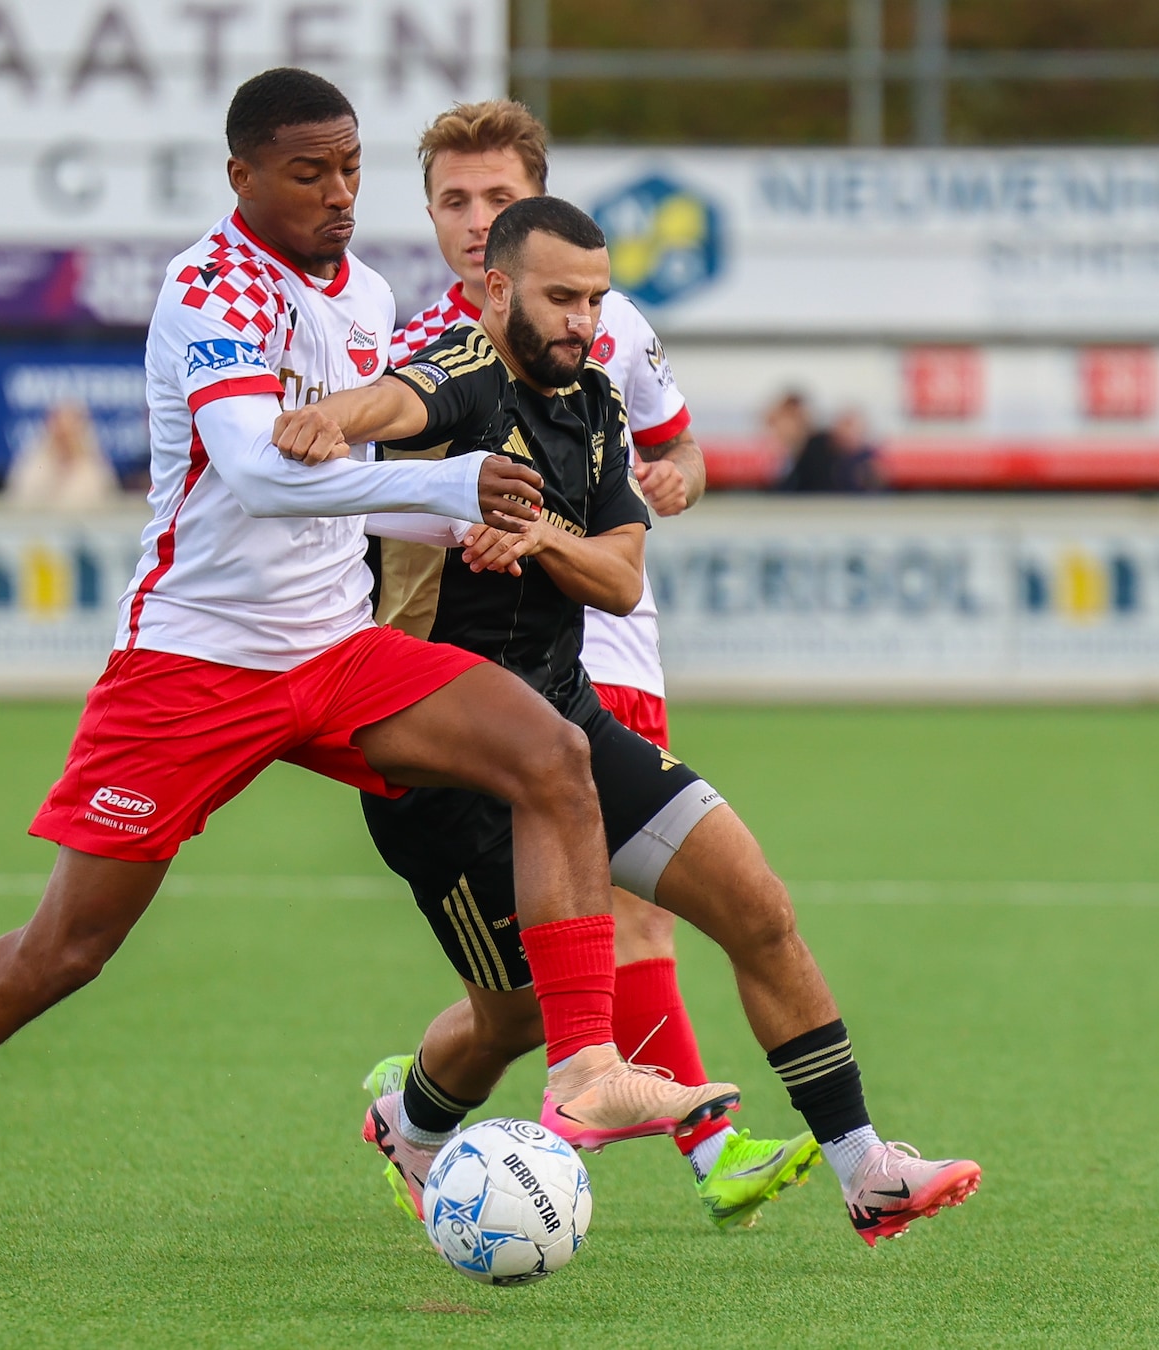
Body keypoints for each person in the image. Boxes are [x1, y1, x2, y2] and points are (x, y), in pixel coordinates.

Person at [0, 68, 738, 1279]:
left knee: (551, 752)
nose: (336, 195)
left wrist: (472, 524)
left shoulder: (369, 292)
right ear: (243, 178)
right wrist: (445, 487)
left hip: (334, 651)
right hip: (195, 664)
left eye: (349, 170)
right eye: (306, 172)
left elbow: (362, 479)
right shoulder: (210, 286)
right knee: (62, 952)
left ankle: (584, 1062)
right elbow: (261, 476)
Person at [275, 195, 981, 1248]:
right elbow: (392, 404)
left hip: (570, 725)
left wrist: (540, 536)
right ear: (501, 290)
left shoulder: (596, 406)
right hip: (448, 773)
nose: (583, 319)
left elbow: (617, 576)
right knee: (513, 1016)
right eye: (562, 298)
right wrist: (332, 419)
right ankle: (411, 1119)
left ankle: (866, 1167)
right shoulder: (463, 377)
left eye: (596, 298)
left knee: (759, 907)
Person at [372, 98, 815, 1232]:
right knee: (597, 940)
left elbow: (680, 448)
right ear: (430, 220)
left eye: (500, 199)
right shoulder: (426, 356)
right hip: (511, 666)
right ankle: (702, 1140)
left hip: (614, 635)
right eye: (454, 203)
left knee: (627, 926)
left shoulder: (609, 322)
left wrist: (674, 481)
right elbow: (382, 513)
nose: (479, 221)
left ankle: (467, 1113)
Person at [4, 403, 120, 511]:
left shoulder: (97, 471)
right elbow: (17, 507)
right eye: (60, 433)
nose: (65, 440)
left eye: (69, 433)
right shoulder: (29, 468)